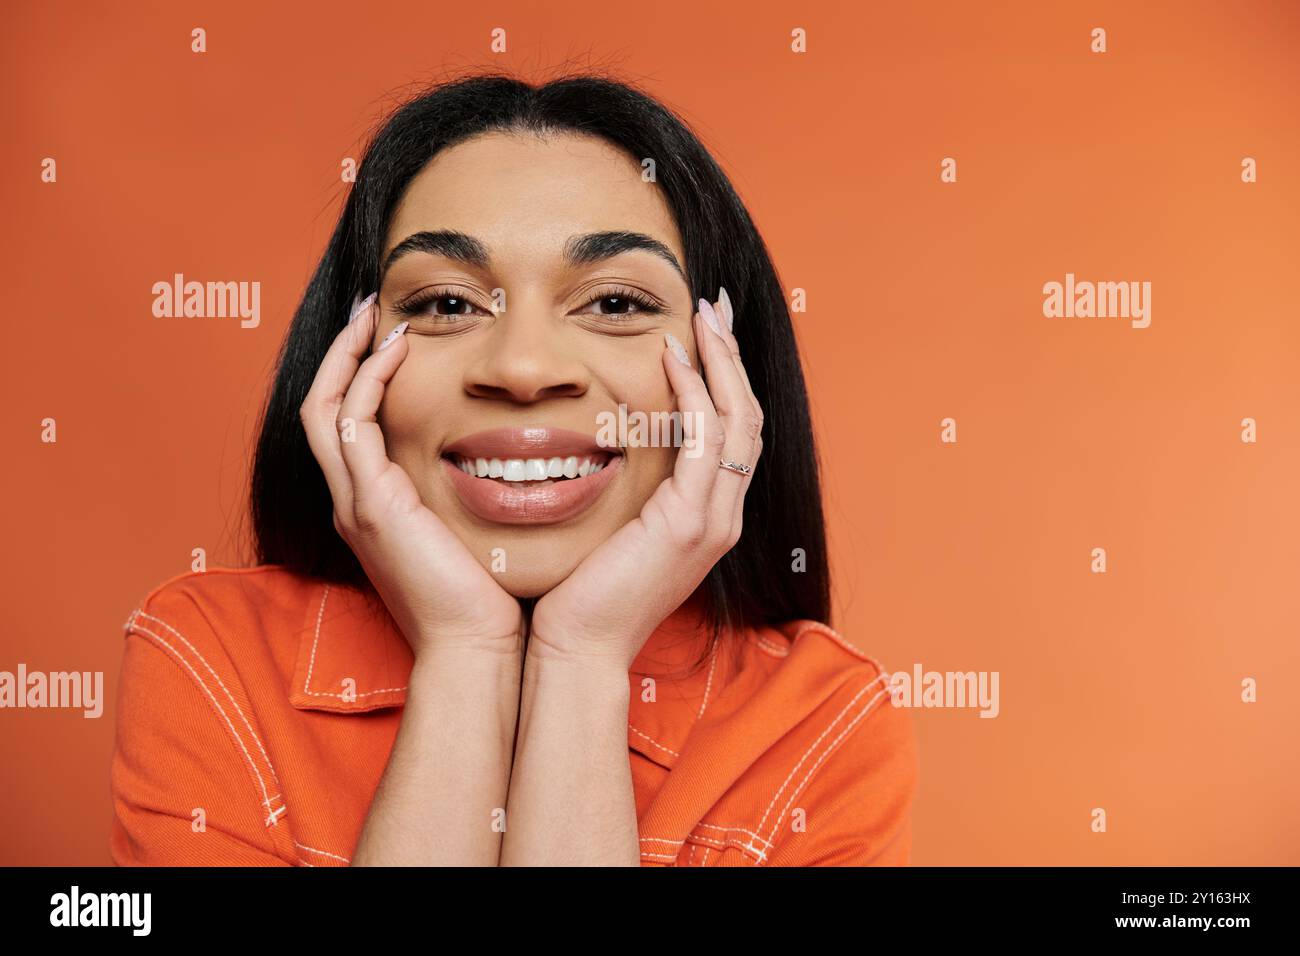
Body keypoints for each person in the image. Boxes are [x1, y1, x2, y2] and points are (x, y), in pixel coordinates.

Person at [109, 73, 916, 866]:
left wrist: (581, 660)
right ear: (347, 363)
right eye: (447, 305)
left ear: (726, 373)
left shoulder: (820, 728)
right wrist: (465, 654)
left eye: (615, 304)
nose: (525, 369)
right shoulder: (213, 660)